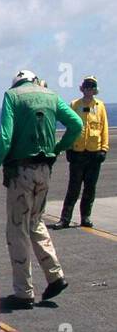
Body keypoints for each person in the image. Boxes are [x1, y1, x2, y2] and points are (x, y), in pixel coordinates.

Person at [0, 70, 82, 309]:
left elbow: (6, 137)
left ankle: (24, 292)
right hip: (44, 170)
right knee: (36, 223)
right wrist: (59, 147)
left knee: (17, 229)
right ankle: (55, 275)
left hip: (21, 171)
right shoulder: (50, 95)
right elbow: (76, 124)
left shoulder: (12, 96)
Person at [52, 76, 107, 229]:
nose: (89, 90)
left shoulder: (100, 106)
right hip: (77, 152)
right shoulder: (75, 105)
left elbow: (104, 129)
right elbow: (71, 127)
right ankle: (65, 218)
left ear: (95, 90)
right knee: (73, 188)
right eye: (87, 86)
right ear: (82, 88)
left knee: (90, 188)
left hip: (94, 152)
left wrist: (104, 148)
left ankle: (86, 217)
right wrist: (69, 147)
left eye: (92, 87)